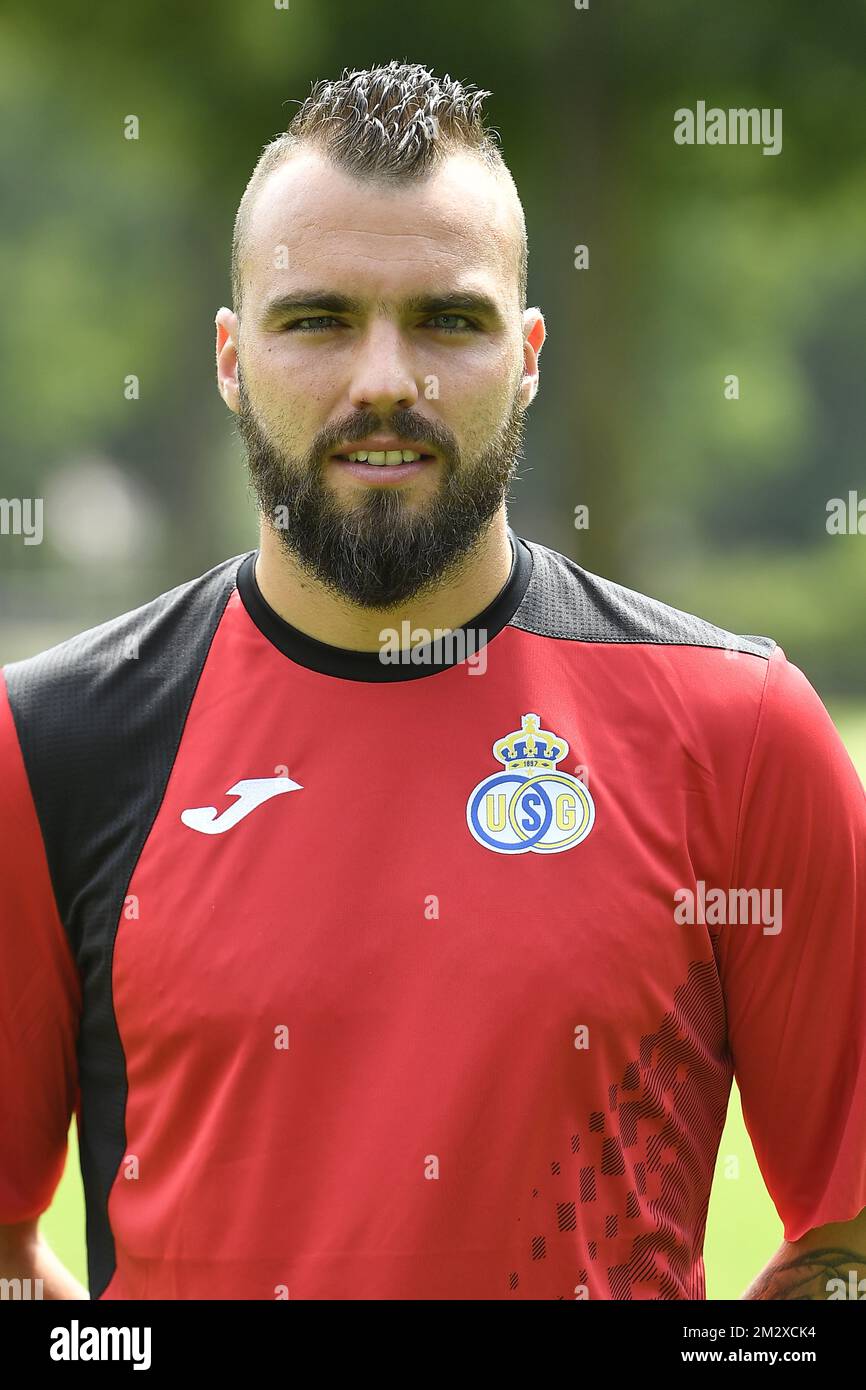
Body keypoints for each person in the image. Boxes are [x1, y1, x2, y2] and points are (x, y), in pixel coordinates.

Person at [1, 60, 864, 1302]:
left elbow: (845, 1240)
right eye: (320, 320)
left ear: (524, 355)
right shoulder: (50, 744)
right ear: (231, 358)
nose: (383, 381)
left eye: (446, 321)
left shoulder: (736, 734)